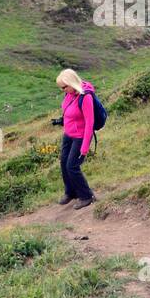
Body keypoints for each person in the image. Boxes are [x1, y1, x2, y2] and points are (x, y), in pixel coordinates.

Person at [52, 68, 96, 209]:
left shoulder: (85, 97)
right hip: (68, 134)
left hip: (80, 137)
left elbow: (90, 123)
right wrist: (61, 121)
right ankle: (70, 193)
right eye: (61, 88)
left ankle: (86, 196)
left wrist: (84, 148)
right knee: (64, 163)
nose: (63, 90)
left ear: (71, 83)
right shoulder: (69, 94)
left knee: (72, 166)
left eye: (64, 87)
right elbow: (69, 112)